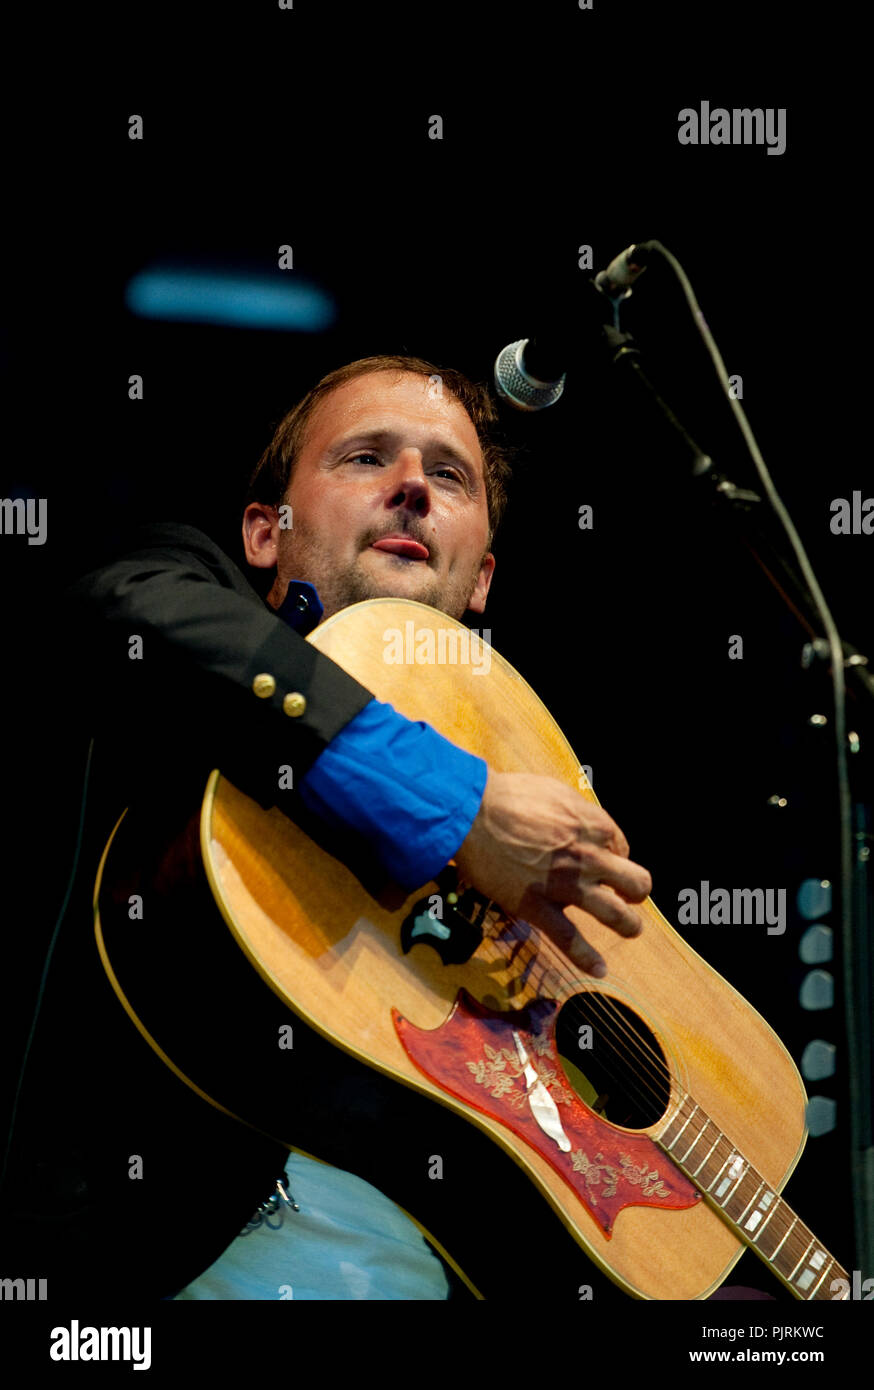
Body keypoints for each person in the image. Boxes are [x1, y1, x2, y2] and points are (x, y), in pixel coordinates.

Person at [1, 354, 653, 1301]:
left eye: (449, 475)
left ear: (484, 579)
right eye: (364, 458)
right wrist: (455, 805)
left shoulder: (538, 791)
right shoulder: (177, 591)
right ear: (267, 533)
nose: (411, 491)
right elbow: (125, 608)